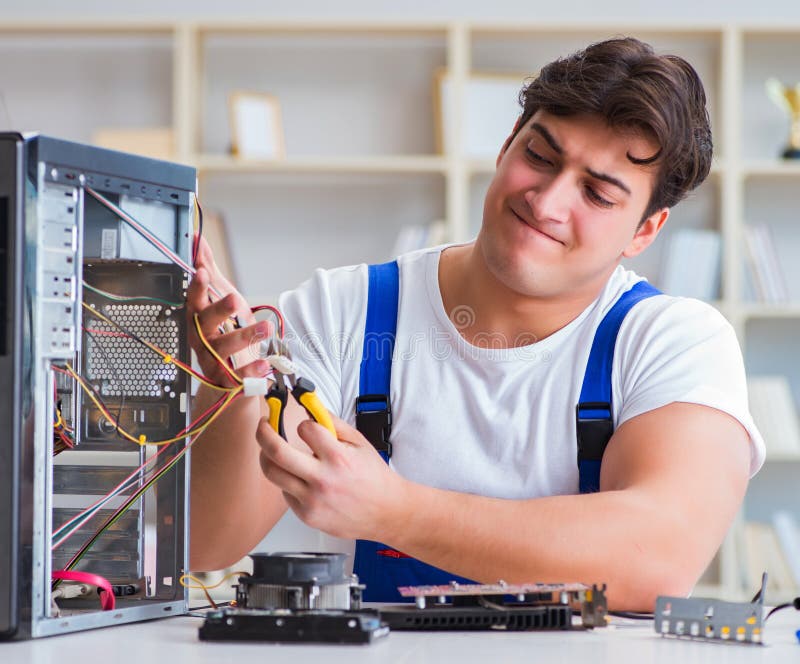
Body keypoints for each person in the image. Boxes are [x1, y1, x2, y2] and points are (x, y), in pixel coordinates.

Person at [186, 37, 764, 611]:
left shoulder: (673, 342)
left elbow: (657, 557)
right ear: (507, 145)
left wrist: (393, 511)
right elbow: (209, 544)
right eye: (540, 156)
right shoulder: (343, 310)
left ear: (645, 231)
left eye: (597, 192)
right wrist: (231, 392)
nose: (548, 202)